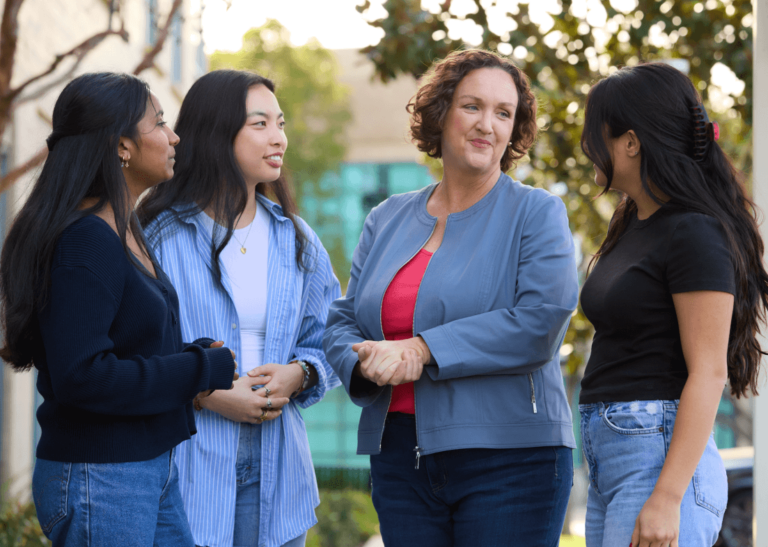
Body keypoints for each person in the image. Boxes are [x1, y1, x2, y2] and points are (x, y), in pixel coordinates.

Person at [323, 49, 579, 546]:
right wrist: (364, 360)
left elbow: (540, 323)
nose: (487, 124)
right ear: (440, 113)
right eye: (472, 106)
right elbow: (344, 320)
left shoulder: (537, 213)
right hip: (399, 459)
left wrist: (421, 349)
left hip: (511, 461)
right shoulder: (386, 217)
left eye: (503, 113)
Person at [0, 73, 238, 547]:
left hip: (146, 466)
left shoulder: (123, 228)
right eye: (160, 123)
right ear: (122, 146)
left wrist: (188, 354)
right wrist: (198, 368)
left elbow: (122, 344)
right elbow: (84, 375)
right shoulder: (86, 240)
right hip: (102, 477)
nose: (174, 137)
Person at [138, 69, 341, 547]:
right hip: (188, 460)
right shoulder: (158, 234)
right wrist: (205, 393)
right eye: (260, 124)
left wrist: (300, 374)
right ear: (216, 132)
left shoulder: (296, 238)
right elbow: (135, 349)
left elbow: (333, 335)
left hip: (278, 466)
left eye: (281, 123)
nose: (279, 138)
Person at [578, 62, 768, 547]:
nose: (585, 145)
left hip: (657, 460)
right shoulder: (632, 224)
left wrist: (666, 497)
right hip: (612, 461)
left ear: (631, 142)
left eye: (594, 132)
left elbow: (709, 371)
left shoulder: (694, 232)